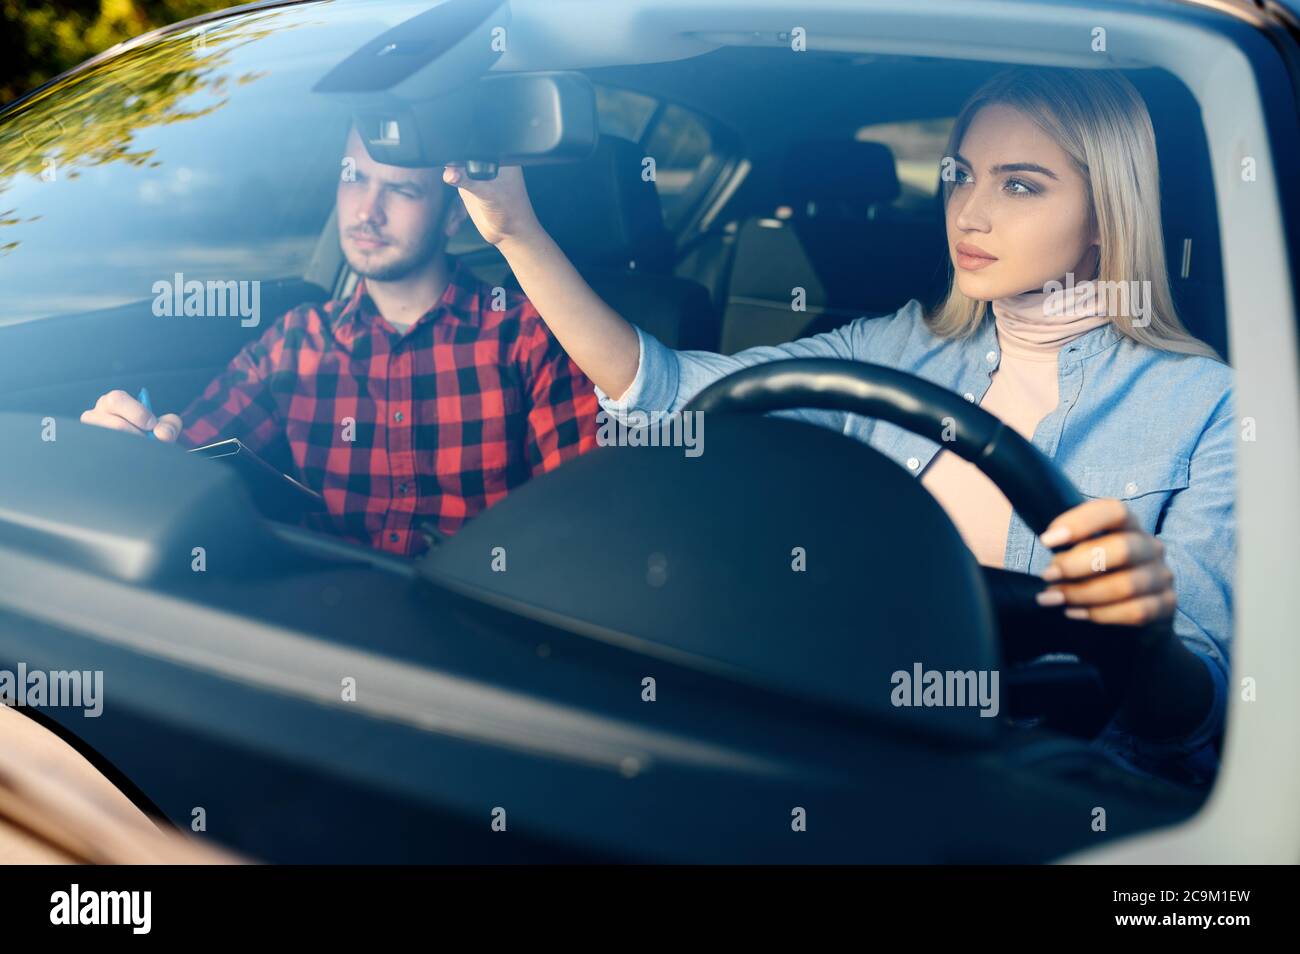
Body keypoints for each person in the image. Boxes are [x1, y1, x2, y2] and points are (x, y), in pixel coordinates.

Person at [445, 68, 1234, 783]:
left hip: (1059, 793)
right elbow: (666, 391)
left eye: (1020, 187)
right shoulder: (896, 343)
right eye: (959, 176)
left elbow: (1192, 728)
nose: (970, 212)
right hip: (841, 748)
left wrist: (1146, 639)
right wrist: (518, 232)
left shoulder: (1211, 407)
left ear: (1106, 215)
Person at [81, 127, 599, 555]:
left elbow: (582, 527)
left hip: (474, 648)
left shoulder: (526, 337)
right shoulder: (296, 342)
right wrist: (130, 449)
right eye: (355, 179)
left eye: (401, 190)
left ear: (455, 214)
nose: (367, 211)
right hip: (318, 636)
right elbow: (186, 460)